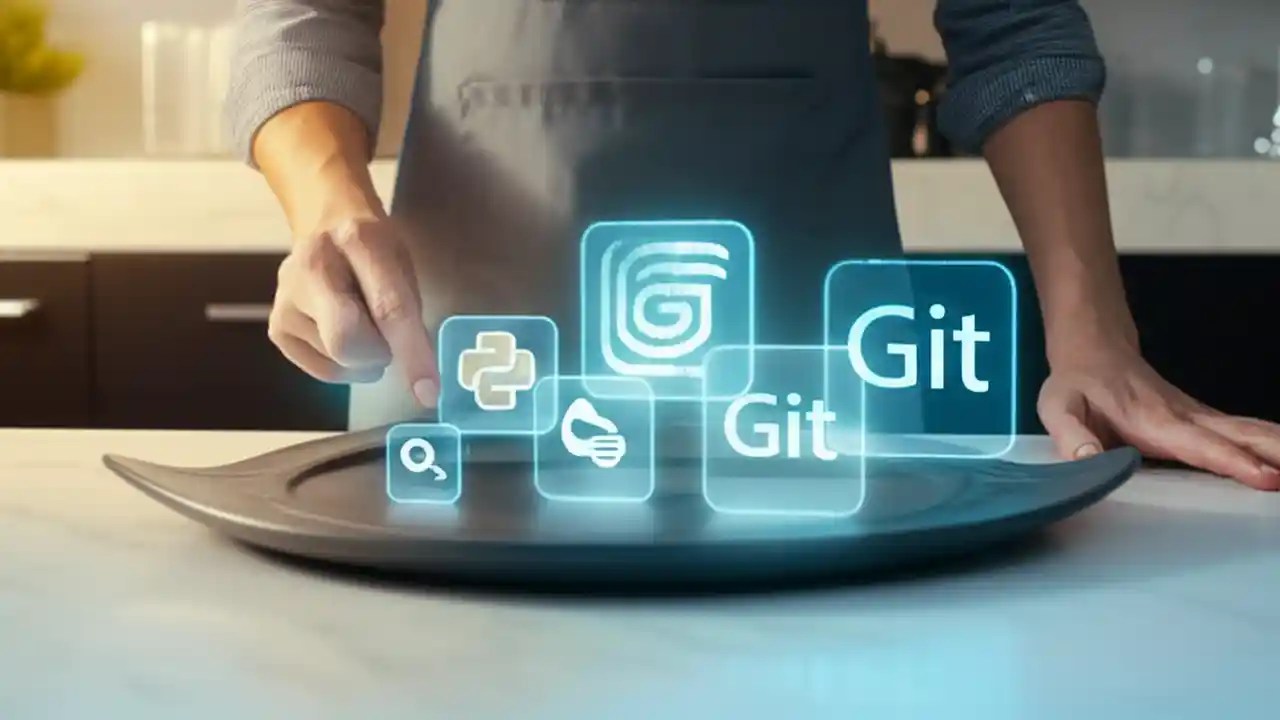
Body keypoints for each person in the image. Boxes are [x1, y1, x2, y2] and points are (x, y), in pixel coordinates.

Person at [227, 0, 1280, 490]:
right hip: (465, 372)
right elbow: (302, 16)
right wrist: (325, 203)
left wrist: (1092, 337)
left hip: (818, 392)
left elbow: (1012, 23)